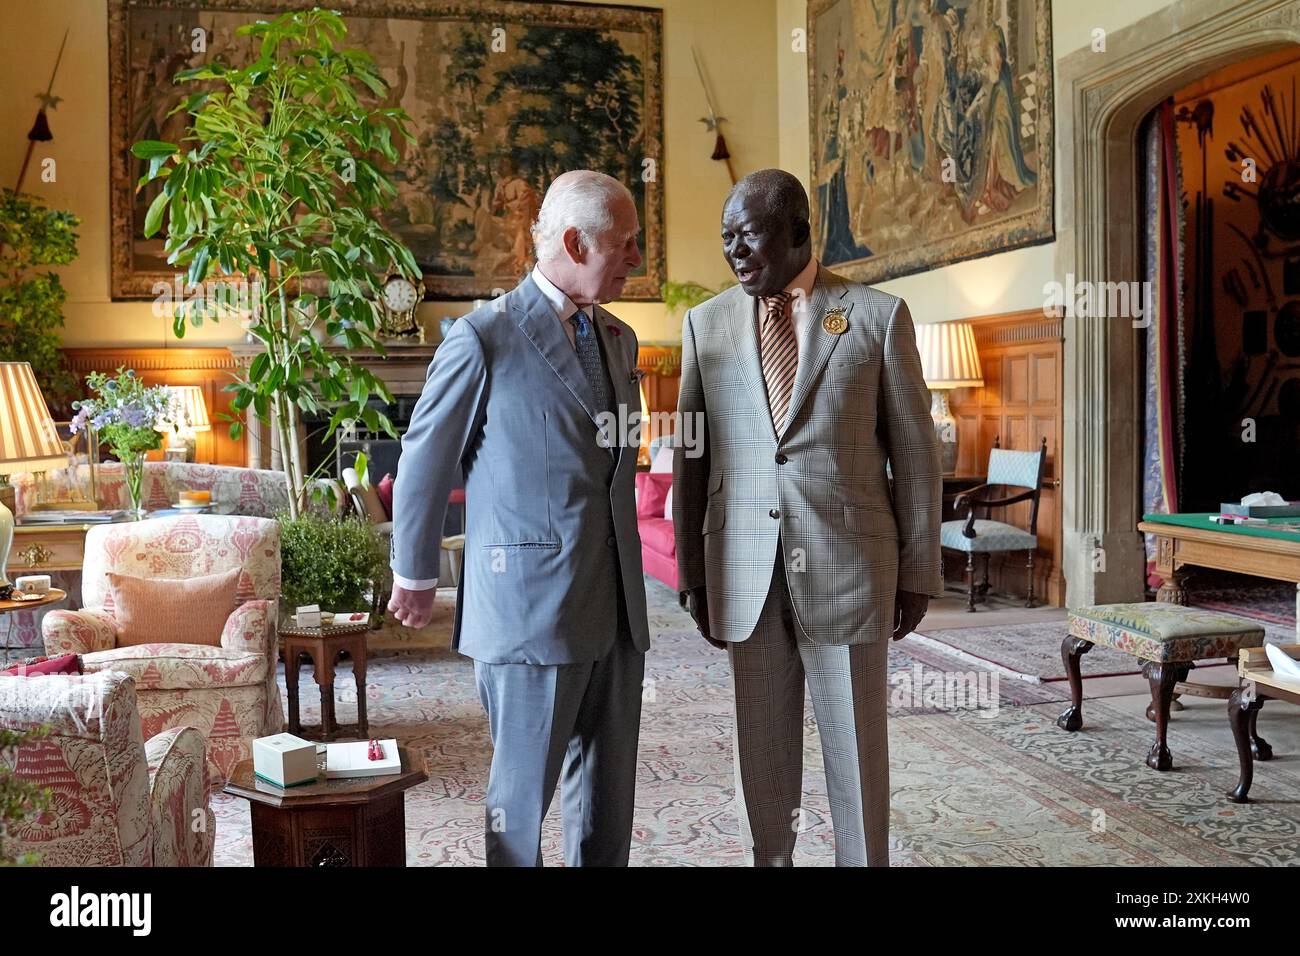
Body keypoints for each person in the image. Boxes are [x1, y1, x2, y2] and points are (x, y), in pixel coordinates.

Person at [673, 168, 942, 867]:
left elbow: (915, 456)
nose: (735, 253)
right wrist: (691, 574)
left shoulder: (877, 316)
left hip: (851, 569)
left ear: (797, 232)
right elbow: (691, 461)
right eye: (726, 239)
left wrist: (918, 571)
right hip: (742, 572)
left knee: (856, 748)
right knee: (758, 749)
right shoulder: (705, 325)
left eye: (749, 236)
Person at [388, 169, 649, 866]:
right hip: (529, 611)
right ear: (573, 240)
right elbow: (425, 457)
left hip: (619, 605)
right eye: (624, 244)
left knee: (607, 802)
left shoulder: (620, 342)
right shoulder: (484, 338)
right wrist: (413, 572)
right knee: (520, 806)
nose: (636, 259)